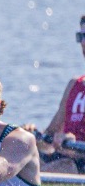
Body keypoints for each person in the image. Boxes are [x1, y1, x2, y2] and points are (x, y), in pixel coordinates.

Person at [34, 13, 85, 174]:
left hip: (76, 166)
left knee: (66, 166)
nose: (83, 42)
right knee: (23, 155)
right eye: (81, 36)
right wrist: (32, 137)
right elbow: (47, 140)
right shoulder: (74, 86)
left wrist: (74, 145)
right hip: (64, 160)